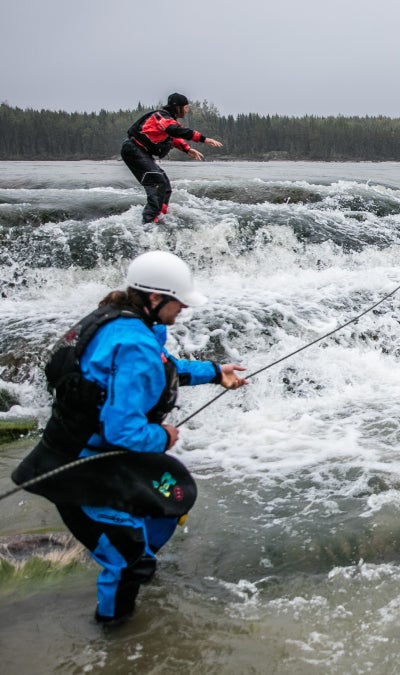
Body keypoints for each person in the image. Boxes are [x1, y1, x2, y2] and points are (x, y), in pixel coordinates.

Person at [12, 251, 248, 625]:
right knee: (127, 563)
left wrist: (216, 372)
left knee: (167, 506)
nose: (184, 307)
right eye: (179, 300)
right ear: (154, 298)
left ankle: (136, 560)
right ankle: (114, 637)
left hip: (100, 456)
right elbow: (122, 431)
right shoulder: (134, 343)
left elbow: (163, 367)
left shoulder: (123, 322)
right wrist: (162, 435)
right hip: (80, 471)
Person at [121, 93, 224, 224]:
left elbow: (172, 137)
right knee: (158, 183)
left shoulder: (167, 120)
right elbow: (175, 130)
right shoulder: (162, 117)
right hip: (134, 150)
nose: (187, 110)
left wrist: (187, 149)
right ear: (177, 108)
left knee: (165, 187)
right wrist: (203, 139)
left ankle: (159, 216)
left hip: (140, 152)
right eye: (186, 107)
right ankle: (149, 223)